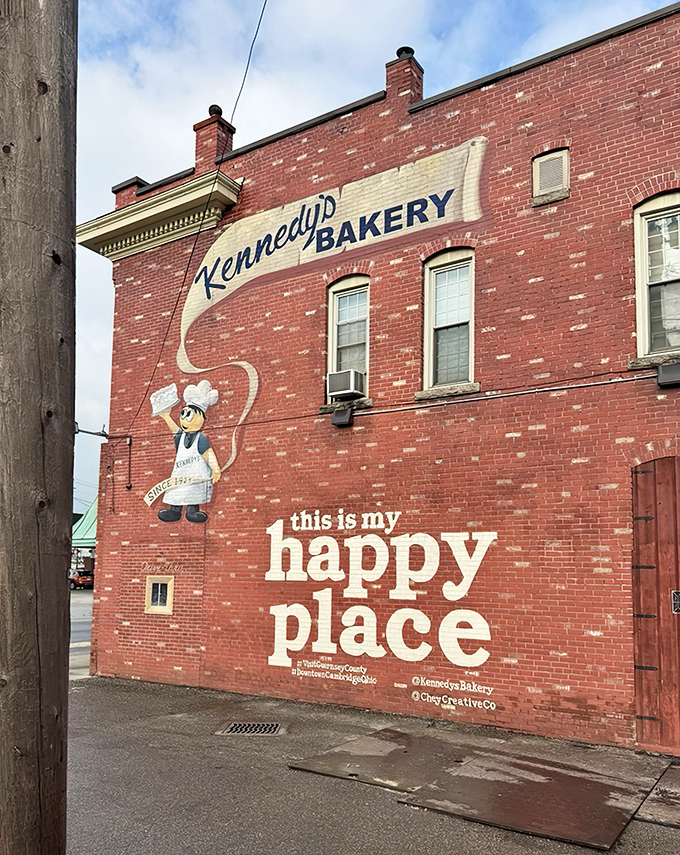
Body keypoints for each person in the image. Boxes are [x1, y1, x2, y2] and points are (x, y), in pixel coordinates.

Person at [156, 380, 220, 523]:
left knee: (193, 493)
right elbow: (175, 431)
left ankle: (192, 512)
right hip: (181, 473)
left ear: (202, 418)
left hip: (196, 474)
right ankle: (174, 511)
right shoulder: (182, 436)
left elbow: (208, 453)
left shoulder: (201, 438)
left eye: (189, 415)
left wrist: (215, 468)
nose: (184, 419)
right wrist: (166, 416)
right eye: (183, 414)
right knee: (177, 491)